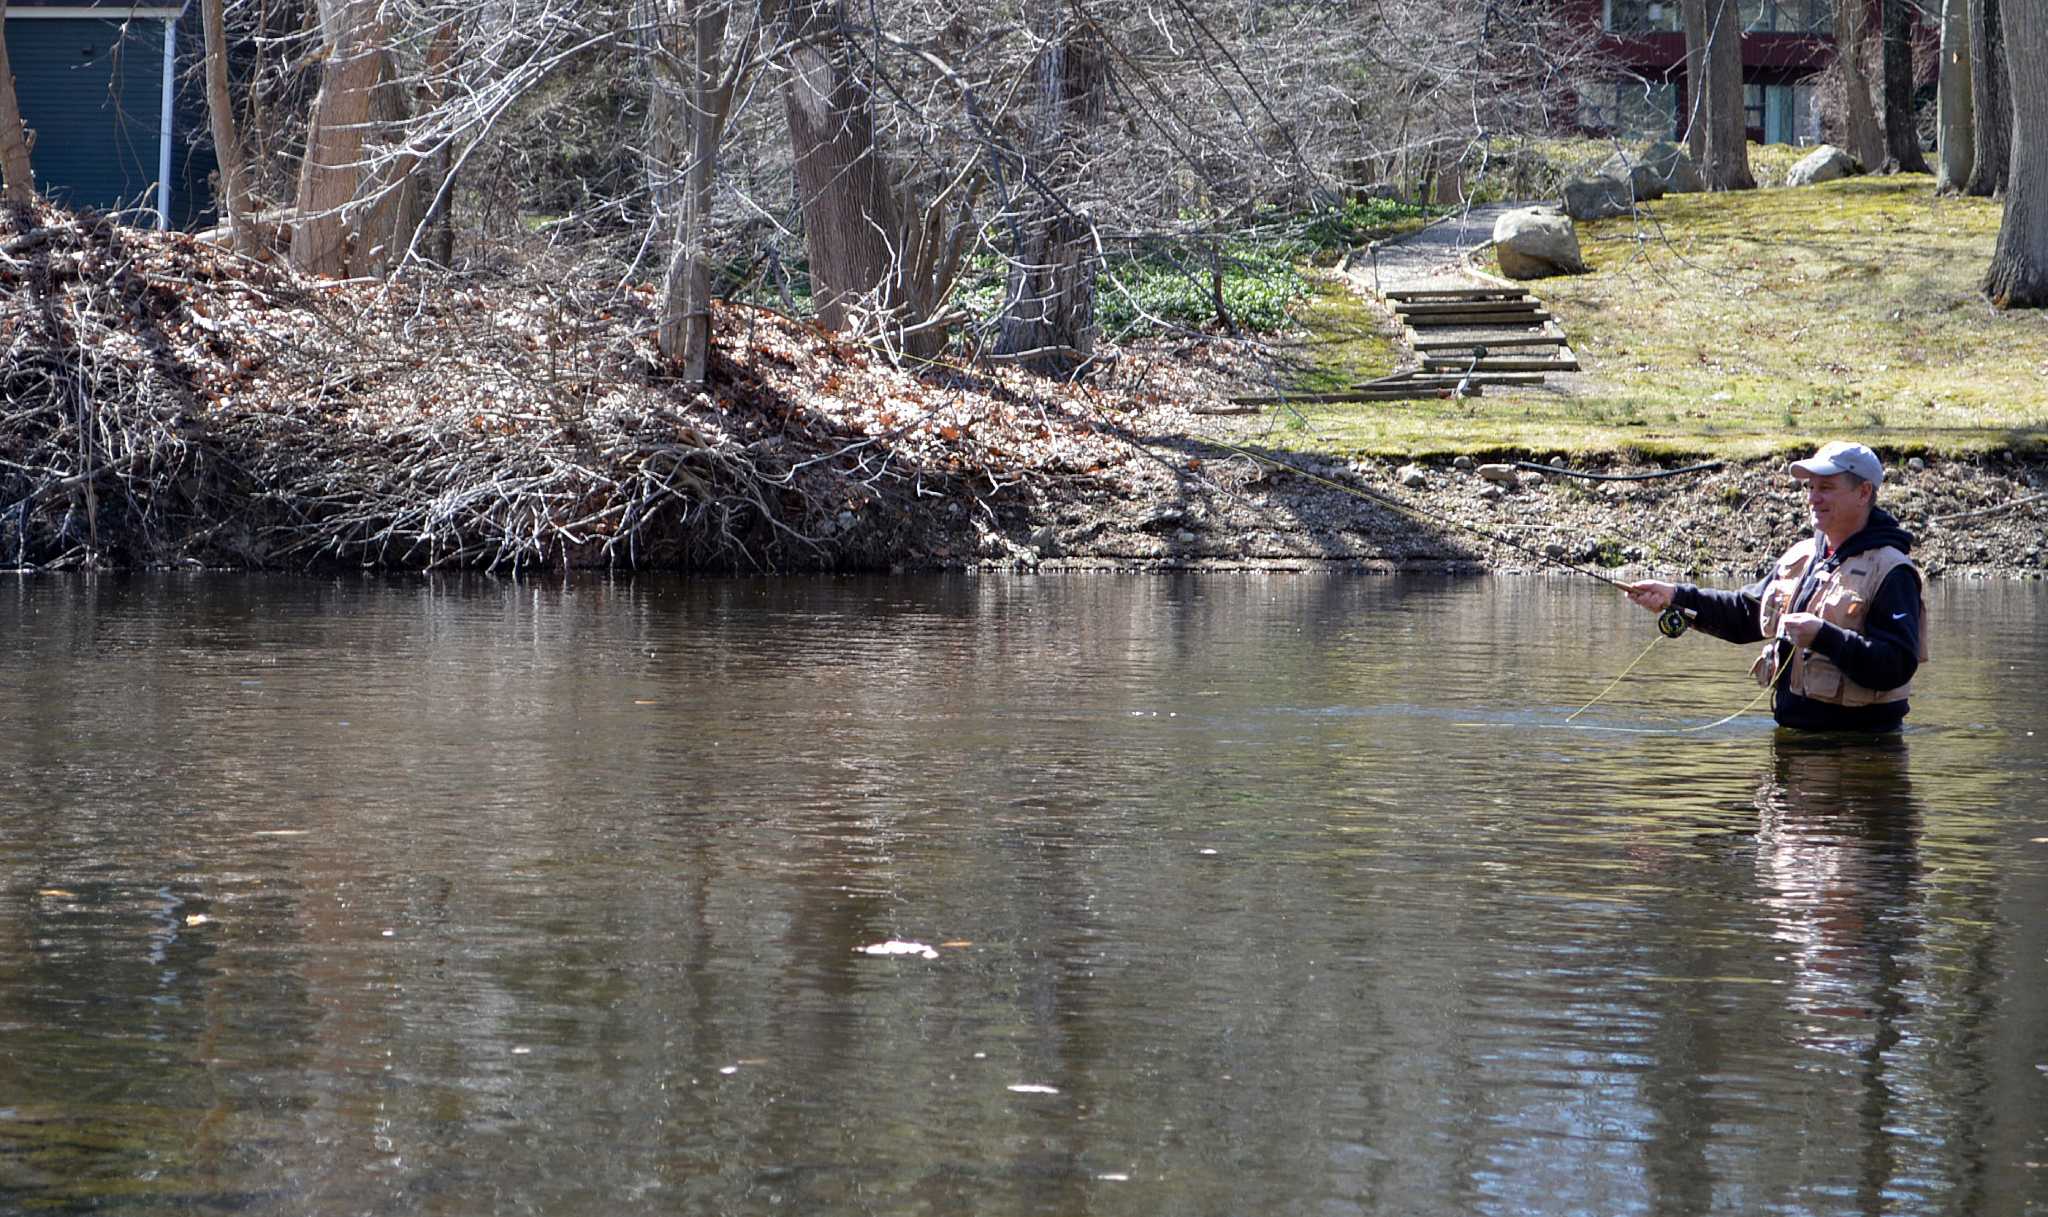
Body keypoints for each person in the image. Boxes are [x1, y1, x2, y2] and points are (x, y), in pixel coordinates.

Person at [1625, 441, 1927, 731]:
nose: (1812, 498)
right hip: (1794, 752)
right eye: (1810, 487)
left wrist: (1823, 637)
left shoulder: (1891, 571)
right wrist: (1675, 596)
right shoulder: (1804, 556)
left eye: (1826, 488)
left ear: (1863, 493)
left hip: (1862, 755)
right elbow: (1745, 615)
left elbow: (1896, 665)